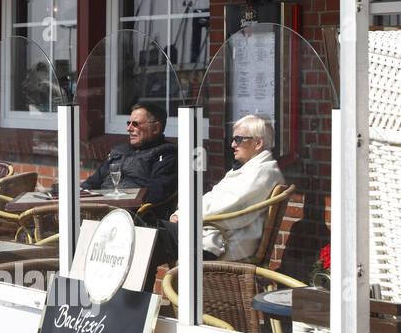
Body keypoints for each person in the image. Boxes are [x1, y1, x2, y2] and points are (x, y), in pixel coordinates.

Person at [168, 115, 286, 262]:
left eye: (238, 139)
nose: (232, 145)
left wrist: (183, 216)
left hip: (220, 245)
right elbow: (213, 199)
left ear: (258, 143)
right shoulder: (249, 168)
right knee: (148, 234)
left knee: (152, 235)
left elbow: (227, 208)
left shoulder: (263, 172)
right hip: (210, 235)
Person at [81, 101, 176, 217]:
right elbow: (92, 183)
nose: (129, 129)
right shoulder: (118, 152)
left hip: (133, 217)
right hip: (99, 212)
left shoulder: (166, 154)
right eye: (128, 123)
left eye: (135, 124)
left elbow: (157, 193)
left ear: (156, 128)